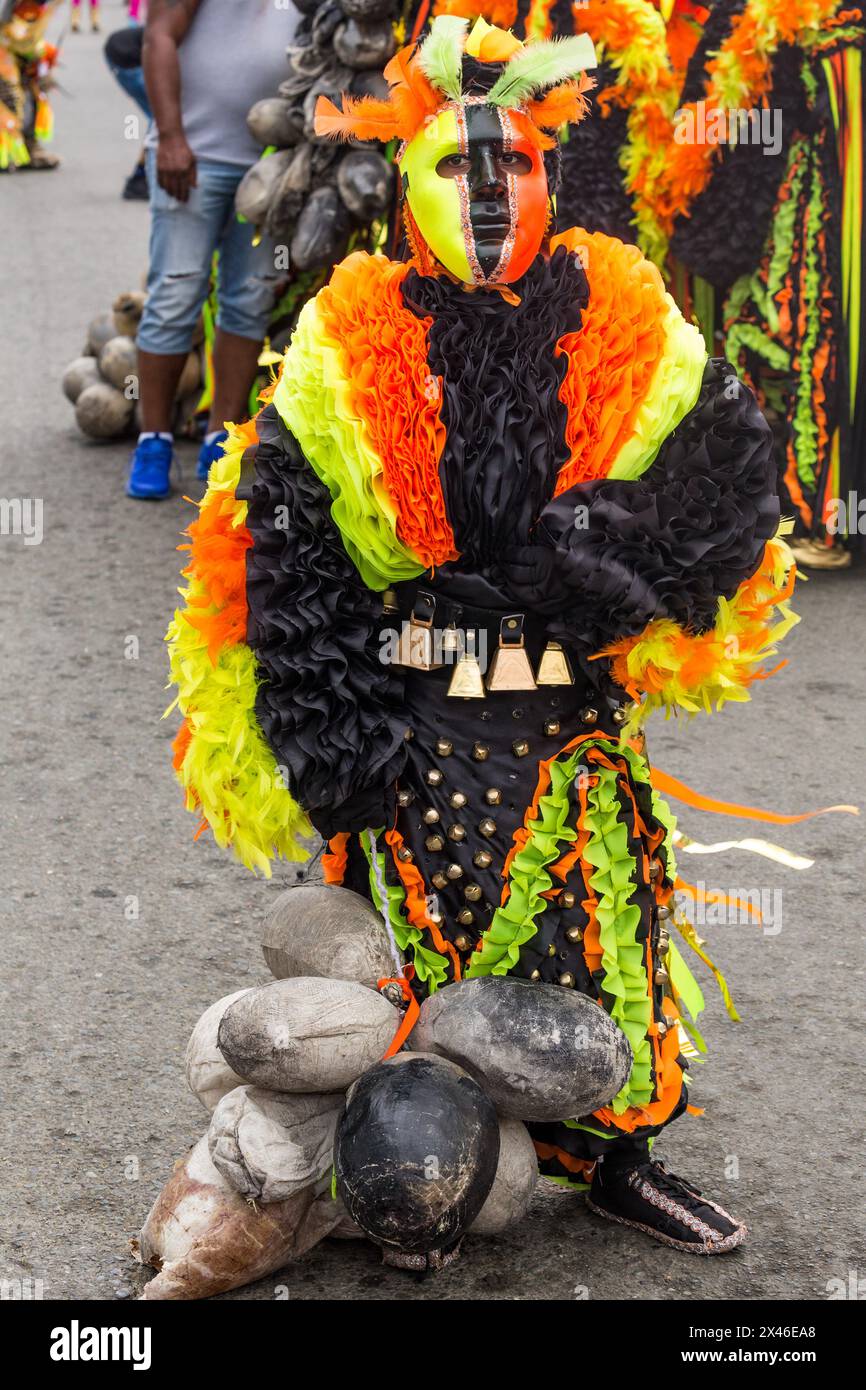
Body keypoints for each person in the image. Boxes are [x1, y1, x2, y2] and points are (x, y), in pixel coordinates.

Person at [167, 16, 797, 1255]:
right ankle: (406, 1169)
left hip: (566, 732)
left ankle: (615, 1156)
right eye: (461, 166)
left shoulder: (620, 307)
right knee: (410, 966)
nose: (493, 189)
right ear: (411, 189)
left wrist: (601, 563)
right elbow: (283, 545)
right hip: (414, 738)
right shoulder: (344, 339)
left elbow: (730, 473)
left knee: (593, 952)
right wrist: (332, 734)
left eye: (515, 162)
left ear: (551, 178)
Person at [127, 0, 297, 500]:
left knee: (248, 303)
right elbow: (157, 37)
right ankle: (153, 441)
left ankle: (220, 440)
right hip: (196, 158)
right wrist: (172, 138)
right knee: (175, 296)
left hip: (273, 165)